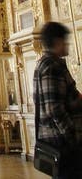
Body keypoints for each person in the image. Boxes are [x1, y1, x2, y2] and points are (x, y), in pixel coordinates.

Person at [33, 21, 82, 178]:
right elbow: (54, 109)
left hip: (60, 139)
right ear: (58, 41)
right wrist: (72, 136)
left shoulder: (46, 64)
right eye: (65, 41)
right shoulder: (51, 67)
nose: (67, 45)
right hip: (61, 141)